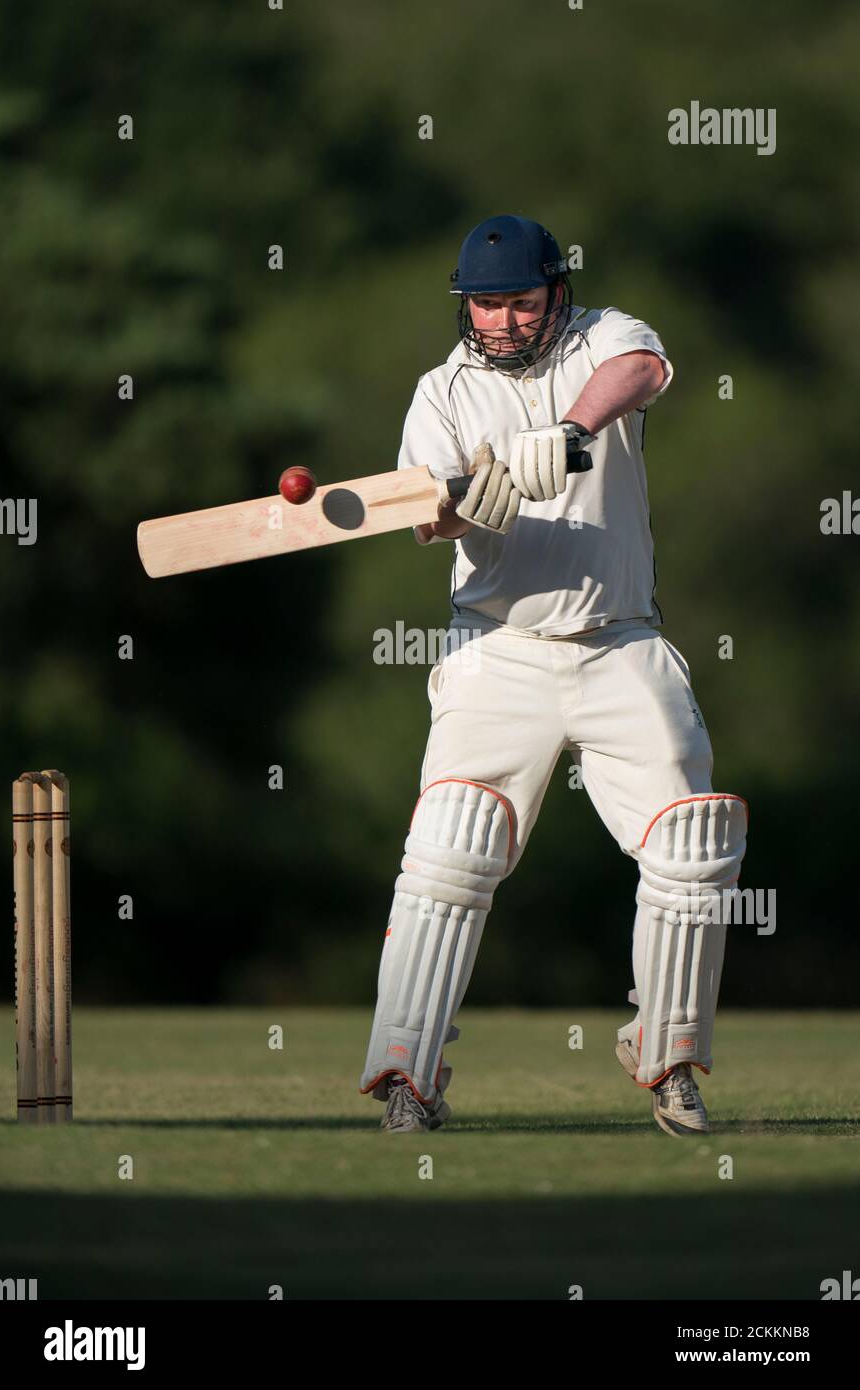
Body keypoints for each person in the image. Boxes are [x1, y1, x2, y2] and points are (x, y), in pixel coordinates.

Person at [359, 214, 748, 1137]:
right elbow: (425, 516)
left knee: (692, 848)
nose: (499, 321)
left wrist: (568, 432)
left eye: (518, 302)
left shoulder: (604, 339)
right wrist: (467, 508)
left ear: (556, 294)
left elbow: (644, 372)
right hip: (497, 649)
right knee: (449, 855)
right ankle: (409, 1078)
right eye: (484, 305)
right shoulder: (441, 392)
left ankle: (670, 1061)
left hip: (622, 643)